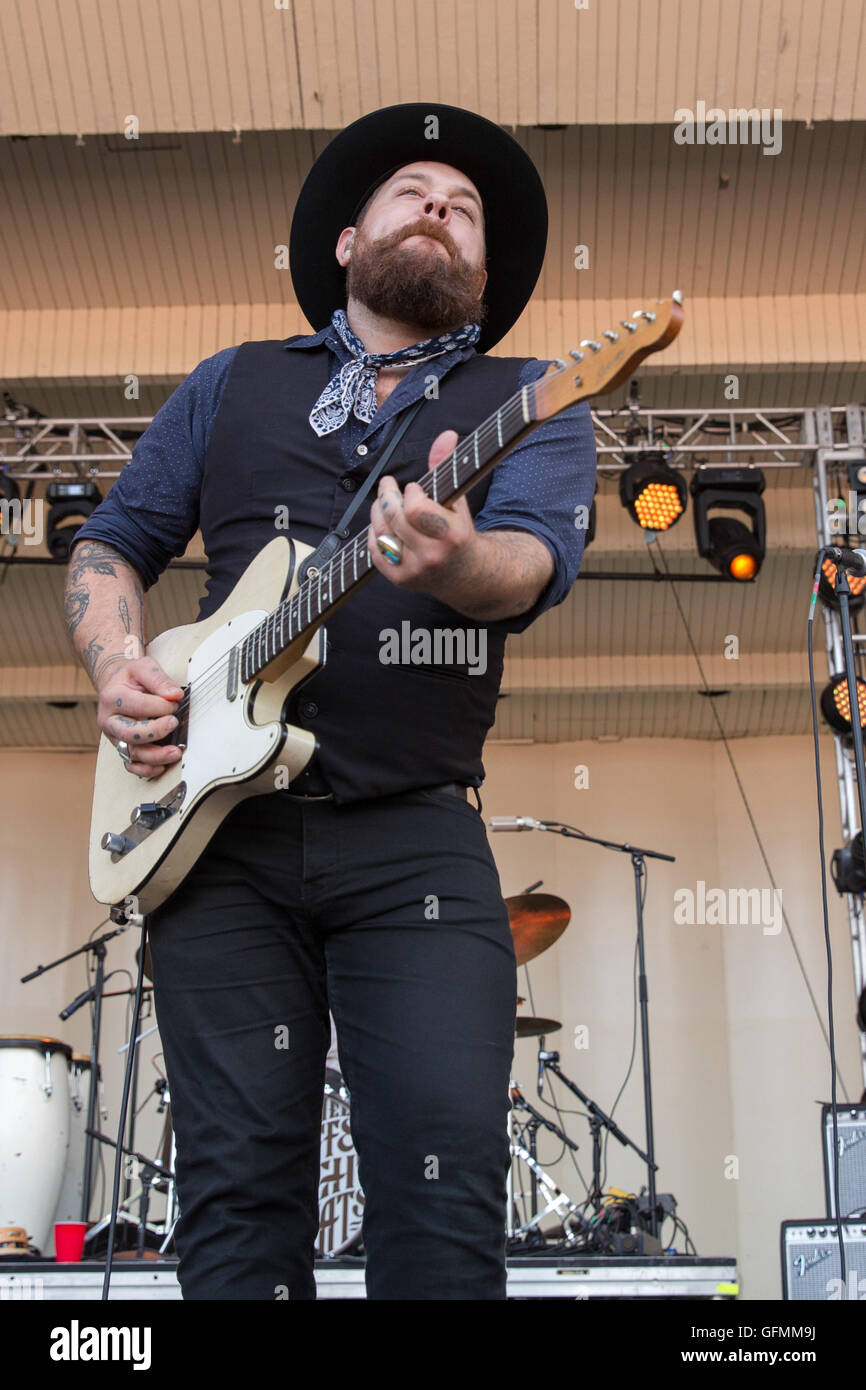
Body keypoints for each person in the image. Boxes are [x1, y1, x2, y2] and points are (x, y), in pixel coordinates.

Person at [65, 101, 597, 1300]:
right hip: (219, 840)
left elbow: (530, 568)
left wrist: (454, 561)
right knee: (238, 1197)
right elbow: (109, 545)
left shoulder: (533, 398)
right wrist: (116, 666)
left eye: (464, 211)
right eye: (415, 192)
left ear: (482, 270)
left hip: (416, 832)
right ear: (347, 242)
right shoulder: (229, 384)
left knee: (443, 1194)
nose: (442, 212)